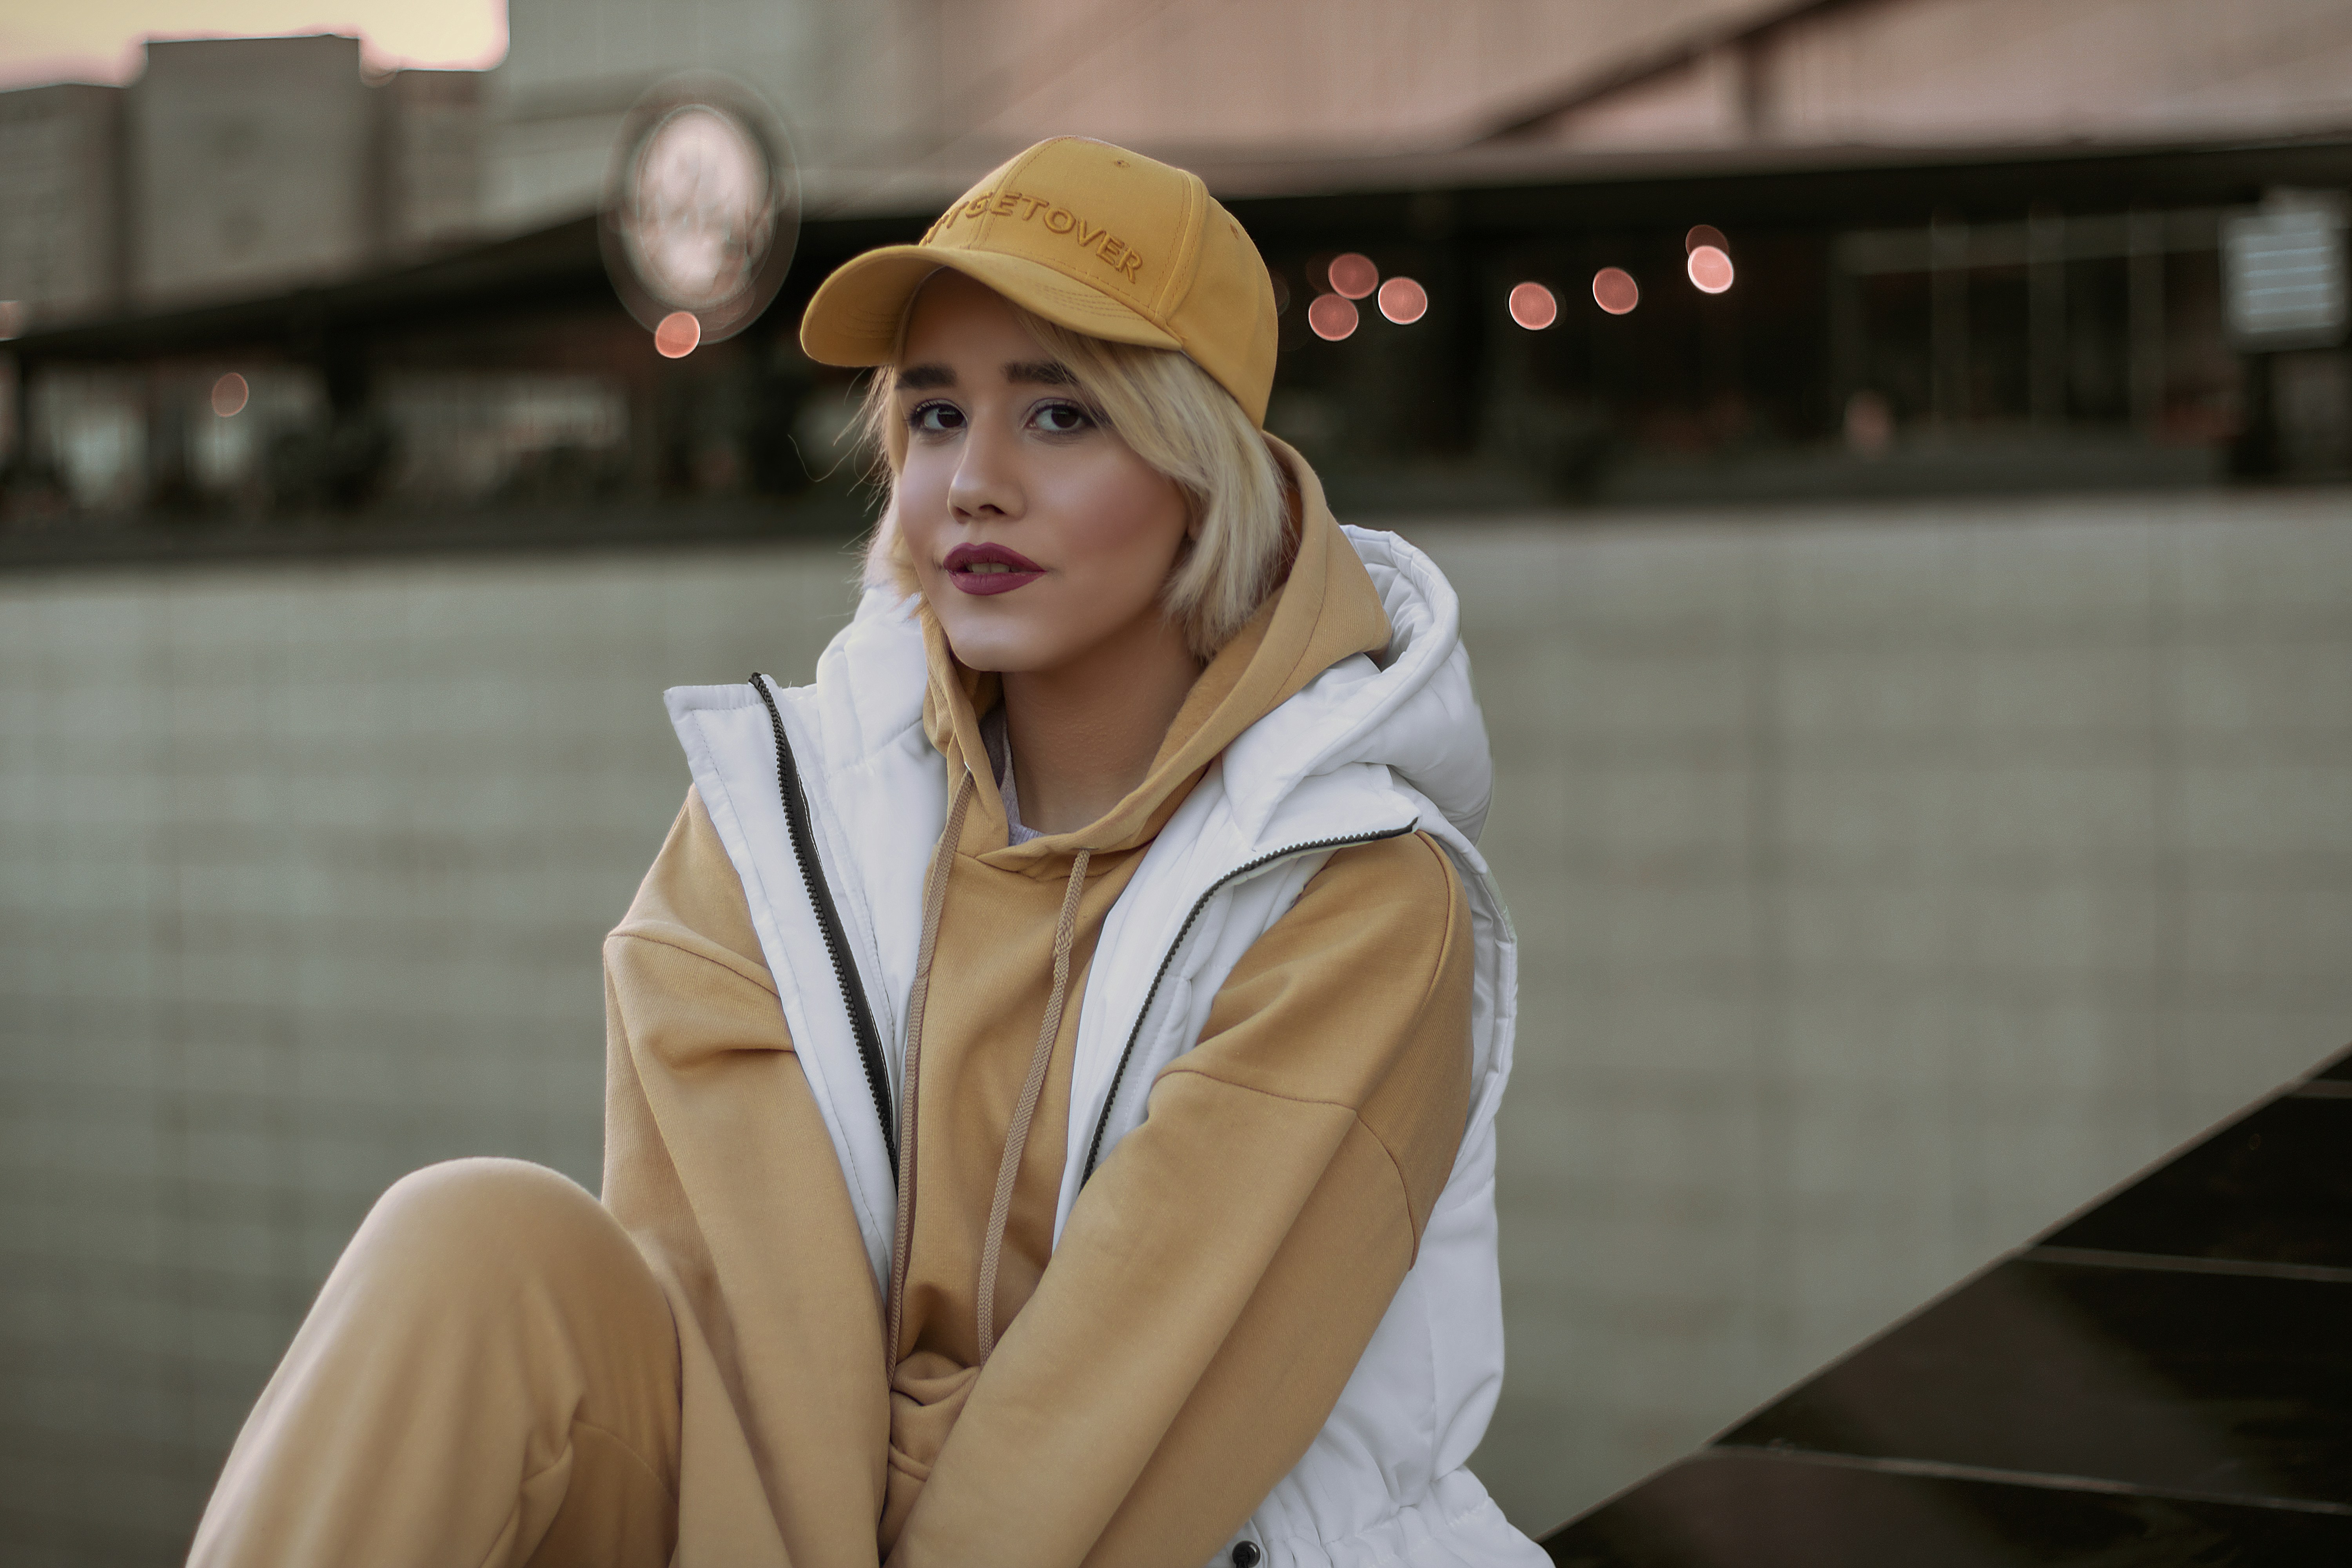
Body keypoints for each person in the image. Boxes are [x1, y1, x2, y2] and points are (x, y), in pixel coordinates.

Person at [187, 136, 1538, 1568]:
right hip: (789, 1525)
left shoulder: (1357, 901)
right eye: (937, 415)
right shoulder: (776, 830)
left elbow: (1103, 1462)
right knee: (475, 1241)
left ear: (1205, 471)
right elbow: (740, 1342)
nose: (974, 483)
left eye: (1061, 415)